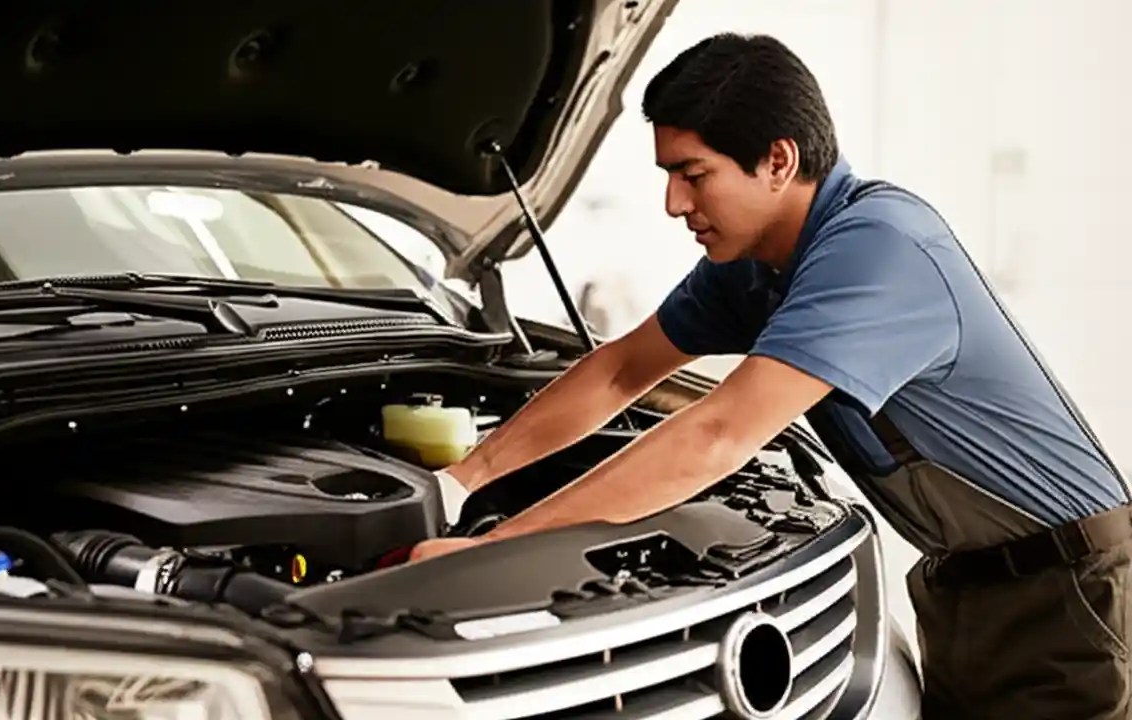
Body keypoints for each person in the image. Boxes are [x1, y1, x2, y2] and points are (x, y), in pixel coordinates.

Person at [408, 32, 1132, 719]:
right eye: (668, 176)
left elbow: (718, 435)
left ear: (779, 160)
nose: (674, 204)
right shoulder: (755, 268)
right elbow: (620, 369)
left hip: (1067, 594)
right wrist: (463, 480)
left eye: (693, 175)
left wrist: (492, 555)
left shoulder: (880, 247)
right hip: (963, 586)